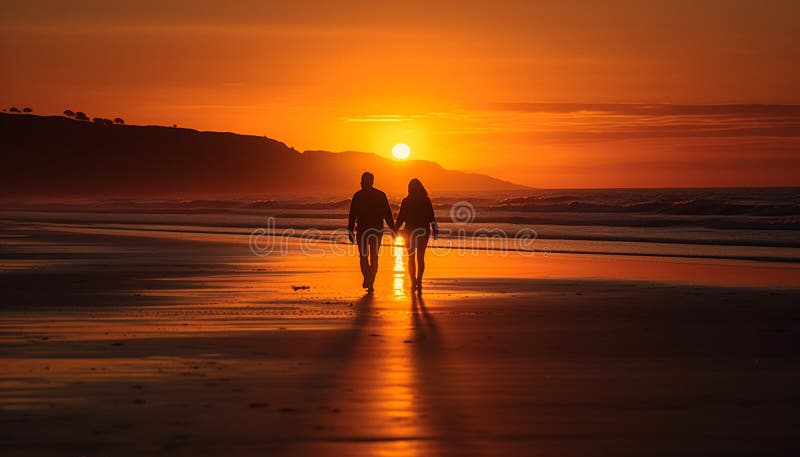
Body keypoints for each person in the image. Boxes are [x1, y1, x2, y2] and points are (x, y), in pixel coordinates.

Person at [348, 172, 396, 292]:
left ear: (365, 182)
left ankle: (368, 279)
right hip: (376, 231)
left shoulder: (358, 196)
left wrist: (350, 230)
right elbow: (387, 214)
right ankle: (370, 281)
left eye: (362, 181)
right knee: (374, 258)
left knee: (364, 257)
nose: (361, 183)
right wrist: (393, 229)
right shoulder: (380, 195)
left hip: (363, 231)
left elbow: (352, 215)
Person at [395, 178, 438, 292]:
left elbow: (401, 218)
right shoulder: (426, 201)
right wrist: (435, 229)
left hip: (409, 231)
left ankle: (413, 281)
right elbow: (431, 217)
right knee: (420, 257)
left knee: (411, 257)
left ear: (409, 189)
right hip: (423, 231)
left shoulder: (406, 201)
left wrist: (395, 229)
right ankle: (418, 280)